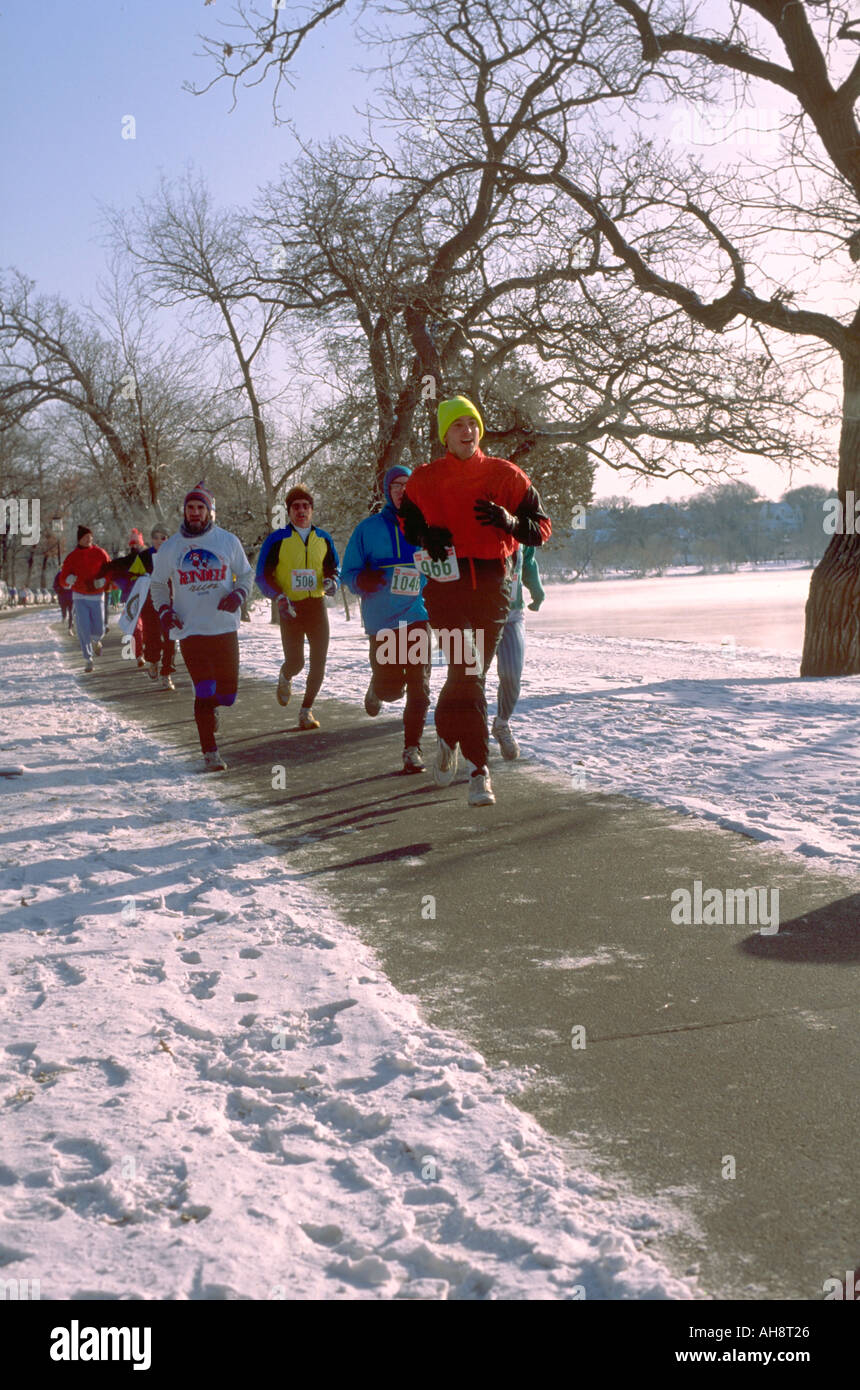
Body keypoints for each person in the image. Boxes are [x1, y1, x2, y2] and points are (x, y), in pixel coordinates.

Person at [400, 396, 551, 806]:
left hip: (491, 586)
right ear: (444, 434)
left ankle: (448, 738)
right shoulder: (424, 479)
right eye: (457, 426)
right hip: (446, 588)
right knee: (467, 673)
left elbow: (540, 530)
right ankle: (479, 772)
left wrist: (511, 522)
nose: (467, 432)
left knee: (467, 675)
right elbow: (408, 524)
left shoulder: (506, 475)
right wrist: (425, 537)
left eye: (472, 424)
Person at [150, 483, 252, 772]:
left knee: (227, 696)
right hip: (190, 628)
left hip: (223, 627)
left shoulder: (228, 541)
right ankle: (210, 751)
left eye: (200, 507)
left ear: (210, 512)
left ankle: (214, 709)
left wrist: (239, 595)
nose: (195, 512)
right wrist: (164, 609)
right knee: (204, 689)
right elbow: (157, 583)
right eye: (190, 507)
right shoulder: (171, 547)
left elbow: (246, 574)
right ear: (184, 511)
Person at [341, 466, 431, 773]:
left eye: (408, 485)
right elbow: (348, 573)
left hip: (417, 614)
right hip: (382, 619)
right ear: (386, 491)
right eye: (396, 485)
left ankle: (412, 749)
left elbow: (442, 566)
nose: (402, 490)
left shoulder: (427, 525)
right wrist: (362, 580)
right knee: (393, 689)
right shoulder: (368, 529)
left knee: (420, 684)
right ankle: (378, 688)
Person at [255, 486, 340, 730]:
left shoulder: (323, 538)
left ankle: (306, 711)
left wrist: (333, 581)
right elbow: (263, 575)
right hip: (289, 607)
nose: (301, 511)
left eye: (305, 506)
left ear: (312, 510)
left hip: (316, 606)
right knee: (296, 662)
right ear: (289, 511)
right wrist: (278, 596)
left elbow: (335, 568)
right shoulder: (277, 539)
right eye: (296, 507)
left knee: (318, 661)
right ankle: (286, 675)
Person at [489, 544, 545, 760]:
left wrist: (536, 590)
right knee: (470, 676)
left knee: (512, 674)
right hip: (479, 614)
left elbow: (528, 561)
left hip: (513, 613)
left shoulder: (521, 526)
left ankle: (502, 724)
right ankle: (457, 734)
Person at [56, 526, 112, 672]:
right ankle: (88, 659)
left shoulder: (100, 553)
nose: (88, 539)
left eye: (90, 537)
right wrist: (68, 579)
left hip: (97, 596)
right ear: (79, 539)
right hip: (79, 596)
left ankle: (97, 641)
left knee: (99, 628)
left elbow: (110, 570)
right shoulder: (72, 556)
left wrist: (104, 581)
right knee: (83, 628)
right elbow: (62, 579)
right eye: (85, 537)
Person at [99, 529, 150, 668]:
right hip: (133, 598)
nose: (134, 547)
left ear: (142, 544)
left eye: (137, 544)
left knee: (146, 627)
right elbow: (111, 568)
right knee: (136, 626)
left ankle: (147, 652)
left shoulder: (149, 557)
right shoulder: (126, 561)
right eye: (132, 544)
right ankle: (139, 654)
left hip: (149, 597)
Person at [139, 524, 176, 690]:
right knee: (152, 636)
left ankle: (166, 673)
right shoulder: (144, 556)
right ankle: (153, 661)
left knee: (170, 638)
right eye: (155, 537)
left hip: (171, 602)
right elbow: (133, 576)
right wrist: (142, 577)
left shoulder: (174, 555)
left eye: (163, 537)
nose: (159, 541)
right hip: (149, 603)